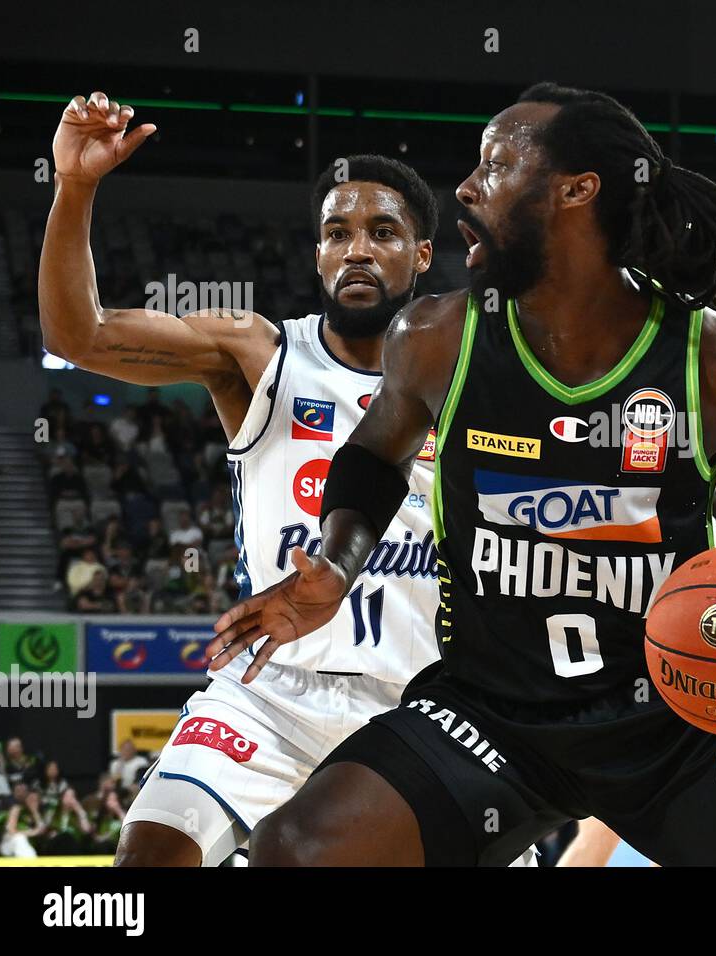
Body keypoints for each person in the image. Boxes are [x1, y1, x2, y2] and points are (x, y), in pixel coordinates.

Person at [212, 83, 716, 867]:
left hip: (679, 716)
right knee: (294, 850)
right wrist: (335, 568)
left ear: (577, 191)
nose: (467, 189)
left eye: (496, 166)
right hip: (489, 717)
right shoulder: (439, 336)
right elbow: (373, 457)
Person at [39, 91, 548, 868]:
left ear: (419, 256)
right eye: (336, 233)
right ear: (315, 255)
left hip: (423, 707)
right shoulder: (260, 355)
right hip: (270, 698)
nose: (356, 250)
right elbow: (79, 334)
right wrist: (76, 188)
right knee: (146, 865)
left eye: (382, 233)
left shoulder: (483, 375)